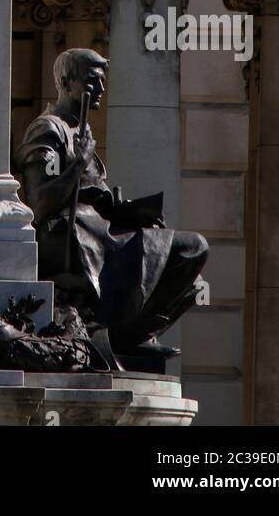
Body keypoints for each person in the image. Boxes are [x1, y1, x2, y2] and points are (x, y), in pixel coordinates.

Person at [15, 47, 208, 357]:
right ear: (65, 83)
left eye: (103, 81)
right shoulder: (48, 129)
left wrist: (132, 211)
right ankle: (131, 334)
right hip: (74, 235)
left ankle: (131, 333)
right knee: (192, 248)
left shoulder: (81, 128)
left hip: (98, 228)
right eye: (92, 81)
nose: (101, 89)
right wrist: (80, 162)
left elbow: (96, 193)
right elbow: (39, 203)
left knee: (192, 279)